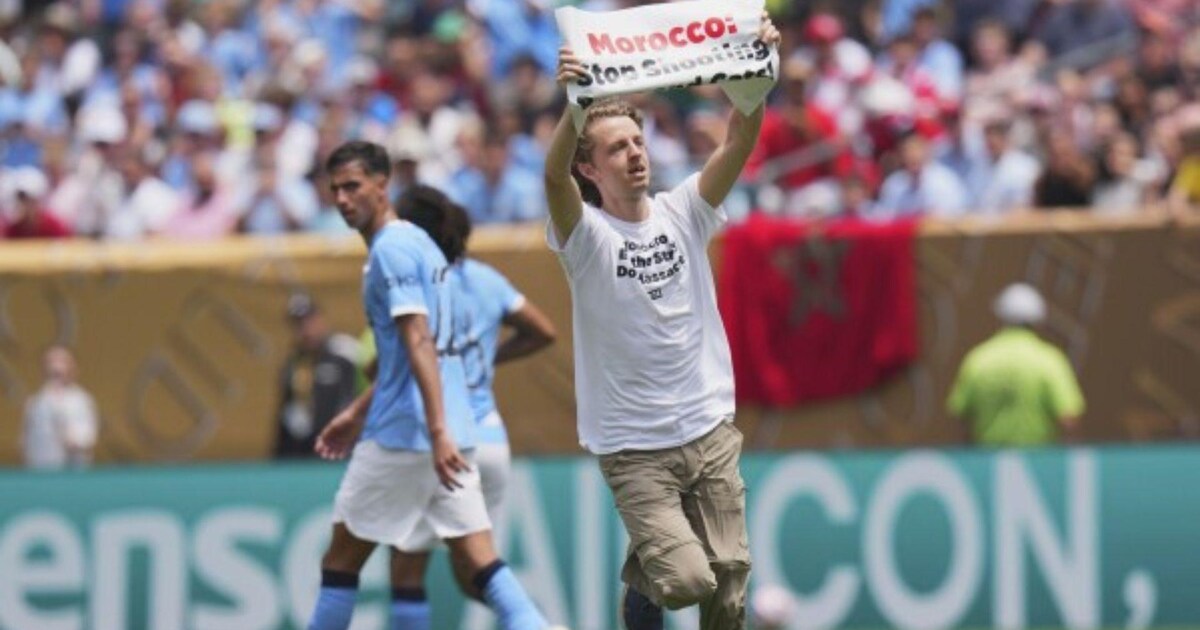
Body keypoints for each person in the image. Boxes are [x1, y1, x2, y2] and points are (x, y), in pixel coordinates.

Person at [543, 13, 780, 630]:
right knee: (687, 580)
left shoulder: (685, 211)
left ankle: (655, 559)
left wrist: (753, 73)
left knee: (728, 598)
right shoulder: (586, 238)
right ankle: (643, 588)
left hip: (707, 425)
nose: (634, 154)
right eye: (616, 148)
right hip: (634, 445)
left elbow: (740, 139)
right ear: (589, 169)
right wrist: (577, 104)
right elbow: (551, 175)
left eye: (638, 142)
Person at [305, 141, 551, 630]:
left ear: (383, 184)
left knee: (340, 563)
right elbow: (417, 352)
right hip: (458, 432)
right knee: (484, 564)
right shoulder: (422, 247)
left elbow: (418, 338)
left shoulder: (393, 249)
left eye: (353, 186)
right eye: (334, 189)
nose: (342, 199)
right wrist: (358, 414)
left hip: (405, 433)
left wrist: (433, 430)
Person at [947, 283, 1085, 447]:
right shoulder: (1049, 360)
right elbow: (1069, 418)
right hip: (1037, 465)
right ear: (1038, 320)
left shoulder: (978, 359)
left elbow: (960, 415)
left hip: (987, 463)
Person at [273, 293, 360, 459]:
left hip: (343, 449)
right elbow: (286, 411)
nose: (305, 329)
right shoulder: (294, 363)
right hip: (306, 452)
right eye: (298, 324)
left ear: (320, 319)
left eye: (309, 321)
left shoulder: (345, 352)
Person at [23, 345, 99, 469]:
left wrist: (75, 442)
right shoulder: (35, 402)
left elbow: (88, 437)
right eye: (51, 362)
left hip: (72, 473)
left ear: (73, 368)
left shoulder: (81, 400)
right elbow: (26, 439)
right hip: (41, 472)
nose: (56, 367)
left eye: (62, 362)